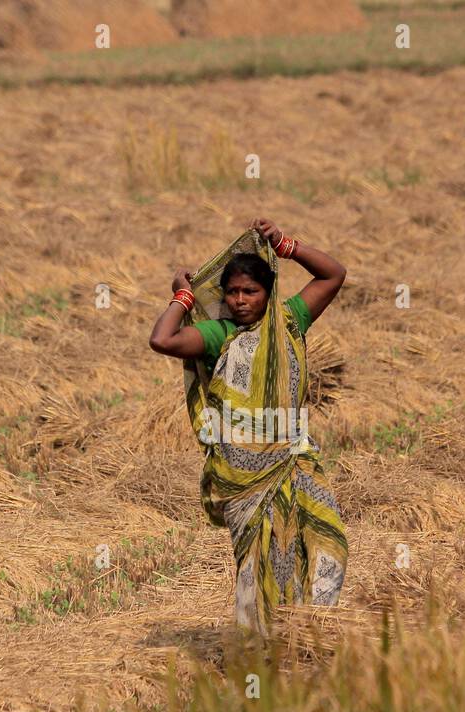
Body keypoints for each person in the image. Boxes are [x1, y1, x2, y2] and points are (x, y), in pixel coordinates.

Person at [149, 218, 349, 634]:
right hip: (245, 476)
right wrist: (183, 297)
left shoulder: (290, 320)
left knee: (328, 547)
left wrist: (285, 245)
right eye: (233, 292)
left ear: (269, 291)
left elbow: (334, 273)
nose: (240, 300)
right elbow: (162, 340)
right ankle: (261, 649)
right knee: (261, 565)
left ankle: (310, 633)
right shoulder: (217, 334)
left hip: (294, 460)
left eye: (251, 291)